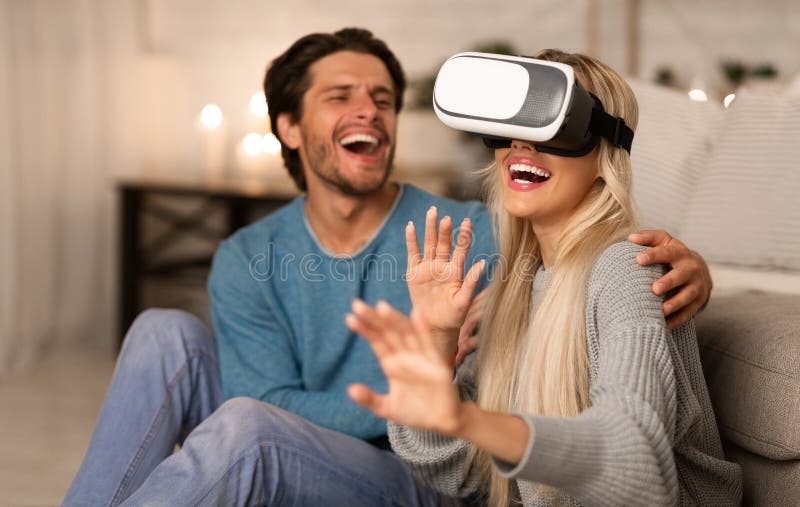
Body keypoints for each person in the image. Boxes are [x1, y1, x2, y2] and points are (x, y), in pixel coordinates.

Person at [64, 30, 714, 506]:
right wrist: (426, 377)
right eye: (340, 95)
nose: (368, 110)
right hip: (373, 446)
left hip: (400, 477)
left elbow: (593, 261)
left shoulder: (476, 238)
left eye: (381, 97)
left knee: (247, 432)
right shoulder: (248, 255)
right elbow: (261, 401)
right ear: (289, 127)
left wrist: (695, 271)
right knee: (166, 337)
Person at [345, 49, 742, 506]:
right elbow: (458, 474)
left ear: (605, 151)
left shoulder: (624, 271)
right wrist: (438, 341)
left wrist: (464, 418)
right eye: (512, 126)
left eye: (553, 124)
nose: (523, 144)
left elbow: (637, 464)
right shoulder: (509, 295)